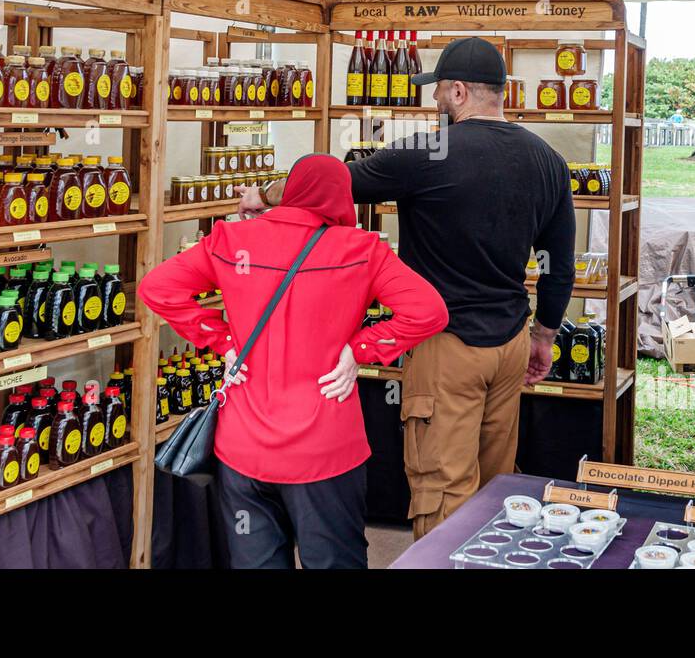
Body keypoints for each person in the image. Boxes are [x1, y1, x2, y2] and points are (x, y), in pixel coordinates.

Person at [237, 36, 575, 539]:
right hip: (510, 343)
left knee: (443, 487)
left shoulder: (426, 153)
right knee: (495, 489)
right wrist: (543, 336)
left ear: (458, 91)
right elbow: (559, 265)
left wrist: (262, 194)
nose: (432, 100)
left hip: (446, 345)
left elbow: (332, 183)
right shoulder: (547, 159)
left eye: (437, 91)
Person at [138, 154, 447, 568]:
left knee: (256, 560)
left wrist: (223, 339)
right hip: (326, 446)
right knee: (334, 560)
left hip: (243, 448)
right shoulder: (362, 251)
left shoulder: (232, 240)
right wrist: (360, 350)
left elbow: (157, 288)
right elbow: (429, 311)